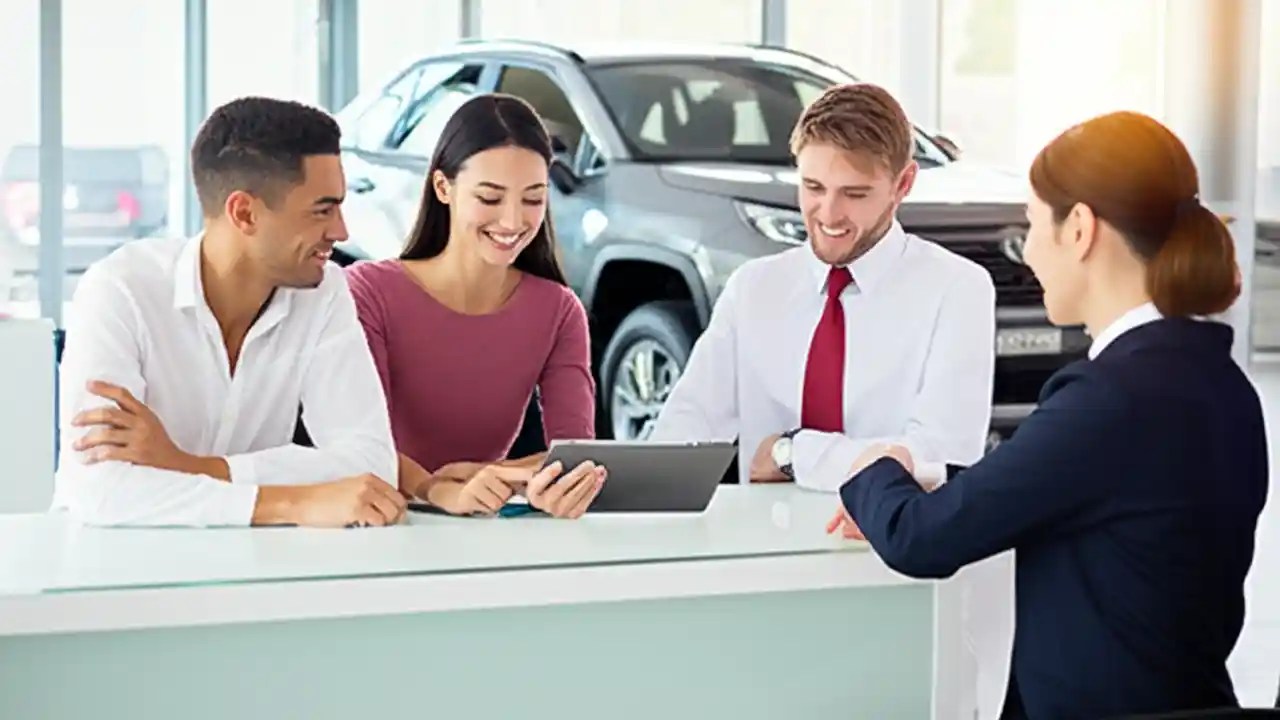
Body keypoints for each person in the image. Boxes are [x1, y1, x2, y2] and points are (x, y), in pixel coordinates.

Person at [829, 111, 1267, 718]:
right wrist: (938, 480)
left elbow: (921, 539)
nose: (1027, 250)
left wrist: (874, 469)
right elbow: (1079, 490)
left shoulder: (1112, 398)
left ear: (1081, 228)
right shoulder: (1216, 382)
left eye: (1032, 224)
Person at [649, 82, 1010, 716]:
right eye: (812, 188)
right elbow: (681, 434)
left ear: (903, 185)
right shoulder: (755, 288)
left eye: (855, 194)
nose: (829, 214)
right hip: (762, 579)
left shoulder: (957, 289)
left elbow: (933, 457)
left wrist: (792, 451)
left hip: (890, 577)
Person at [52, 97, 406, 528]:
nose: (341, 230)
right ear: (244, 212)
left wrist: (193, 466)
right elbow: (100, 491)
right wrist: (293, 503)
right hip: (107, 574)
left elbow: (371, 465)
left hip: (247, 574)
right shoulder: (120, 291)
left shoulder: (323, 291)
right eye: (322, 209)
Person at [345, 93, 604, 519]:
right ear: (443, 188)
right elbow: (357, 442)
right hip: (378, 525)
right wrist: (435, 489)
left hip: (483, 528)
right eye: (489, 198)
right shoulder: (368, 292)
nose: (512, 221)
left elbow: (576, 456)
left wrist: (491, 477)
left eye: (533, 199)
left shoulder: (559, 311)